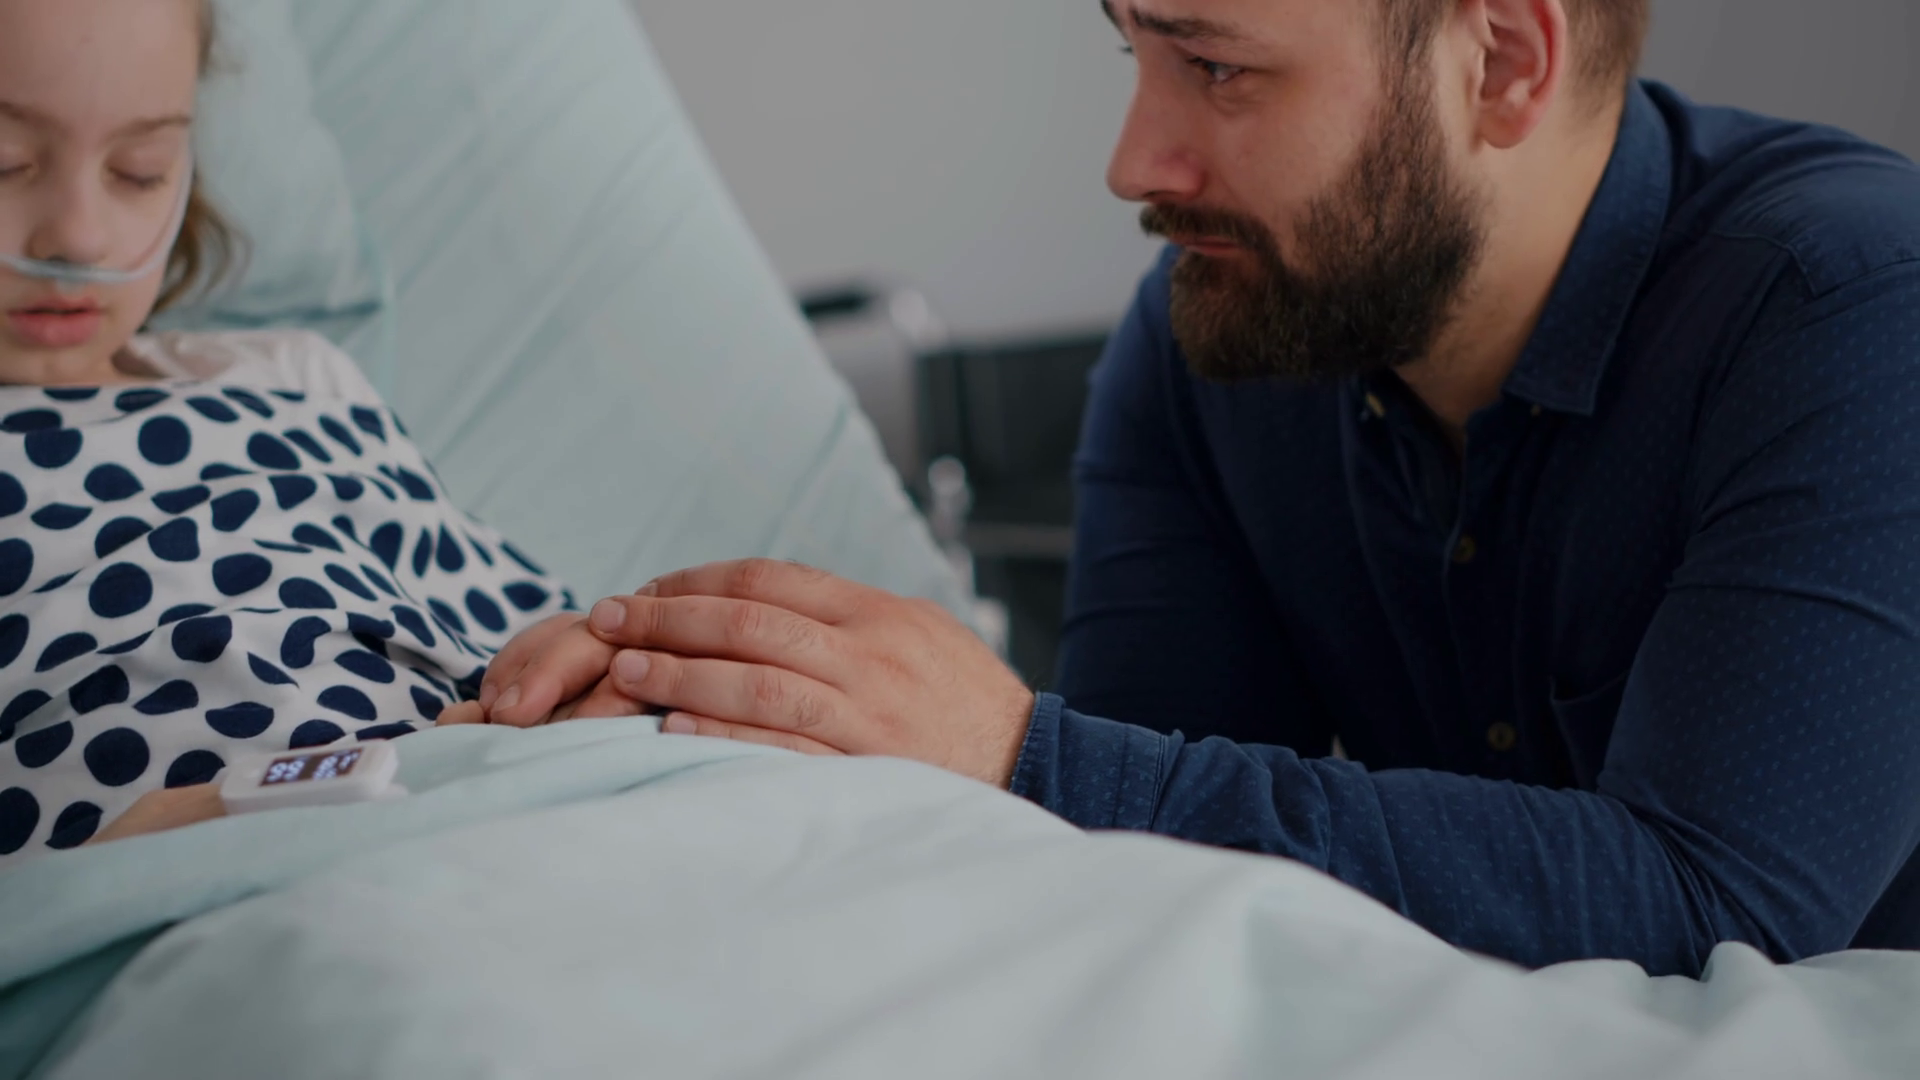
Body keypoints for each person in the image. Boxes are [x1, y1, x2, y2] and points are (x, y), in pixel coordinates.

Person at [482, 0, 1920, 978]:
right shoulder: (1210, 348)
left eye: (1218, 67)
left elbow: (1717, 905)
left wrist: (1018, 750)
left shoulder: (1855, 309)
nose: (1134, 161)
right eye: (1134, 49)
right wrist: (699, 707)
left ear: (1502, 63)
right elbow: (1123, 851)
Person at [0, 0, 590, 860]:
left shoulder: (289, 377)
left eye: (140, 168)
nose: (81, 236)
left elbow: (524, 634)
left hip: (499, 799)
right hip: (171, 887)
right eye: (4, 161)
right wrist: (151, 841)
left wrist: (575, 671)